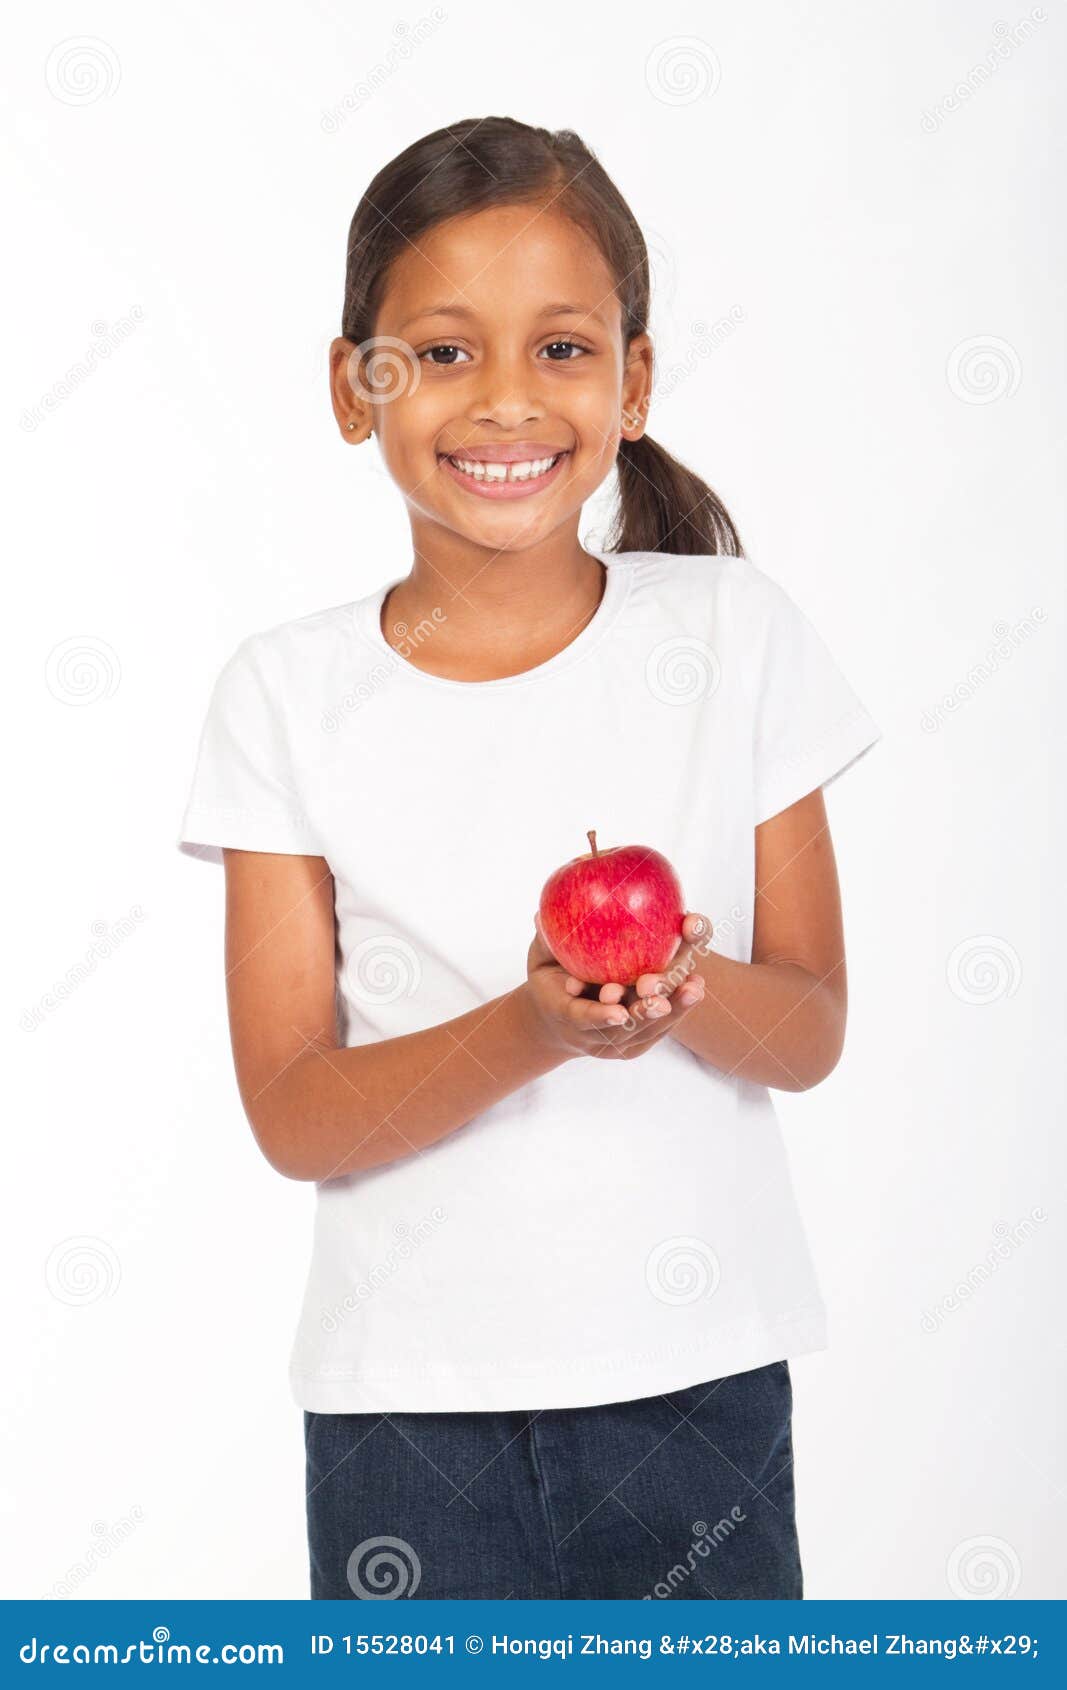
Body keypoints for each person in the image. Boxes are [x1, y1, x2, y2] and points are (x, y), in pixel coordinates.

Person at [178, 115, 881, 1601]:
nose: (505, 397)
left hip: (699, 1387)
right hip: (405, 1417)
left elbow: (812, 1028)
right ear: (353, 387)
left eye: (562, 348)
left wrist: (678, 982)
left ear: (634, 380)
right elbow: (295, 1110)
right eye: (442, 351)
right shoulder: (285, 694)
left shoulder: (733, 636)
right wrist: (534, 1027)